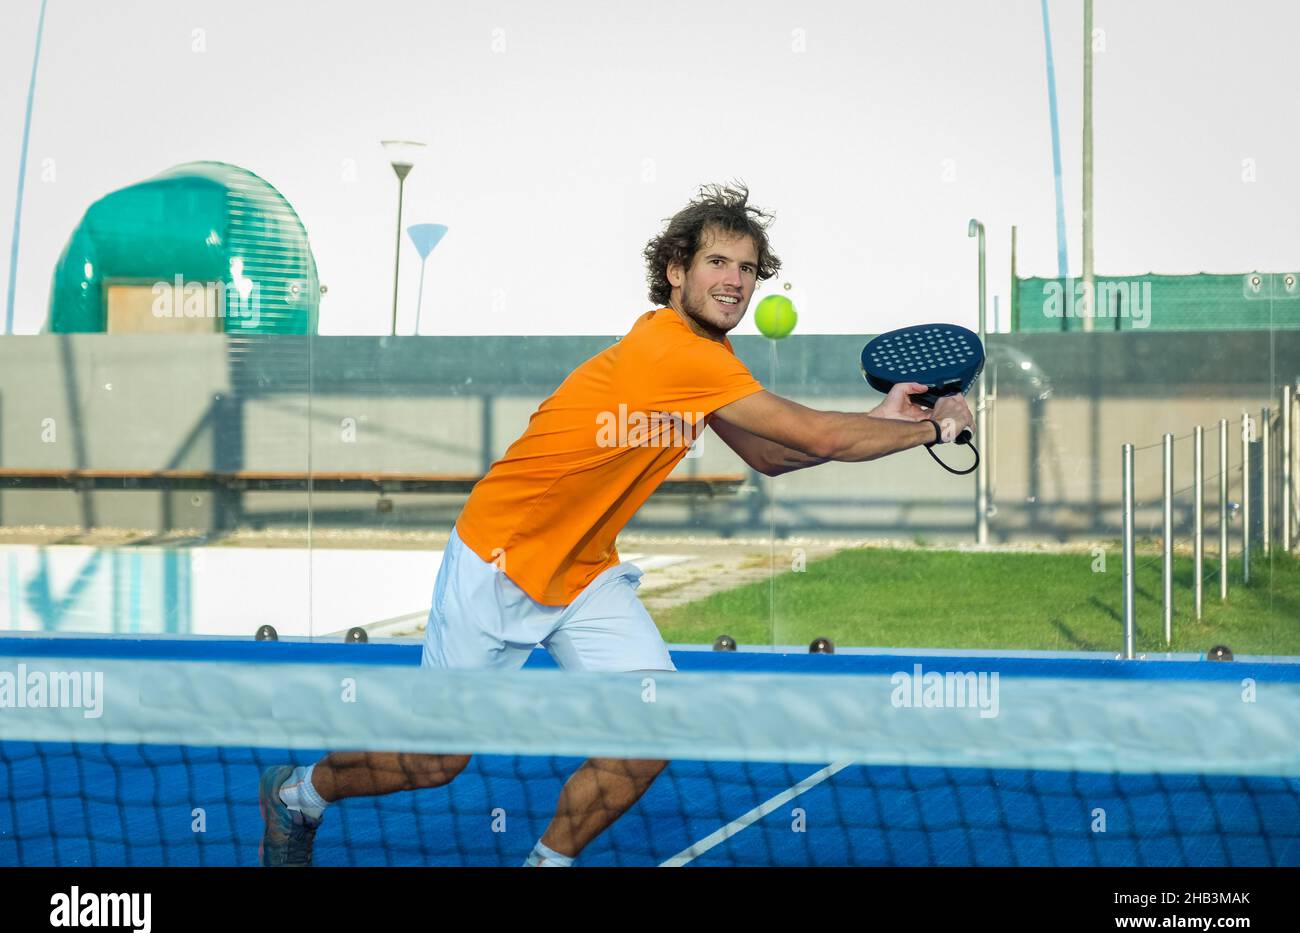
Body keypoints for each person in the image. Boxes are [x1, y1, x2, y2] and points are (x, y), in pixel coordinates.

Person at [258, 182, 974, 866]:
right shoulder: (673, 351)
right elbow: (816, 437)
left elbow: (772, 457)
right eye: (718, 262)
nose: (734, 280)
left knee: (649, 729)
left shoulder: (709, 359)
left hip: (583, 572)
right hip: (500, 559)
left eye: (748, 269)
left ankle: (547, 861)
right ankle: (297, 796)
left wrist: (884, 421)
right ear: (674, 271)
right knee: (435, 761)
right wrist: (931, 432)